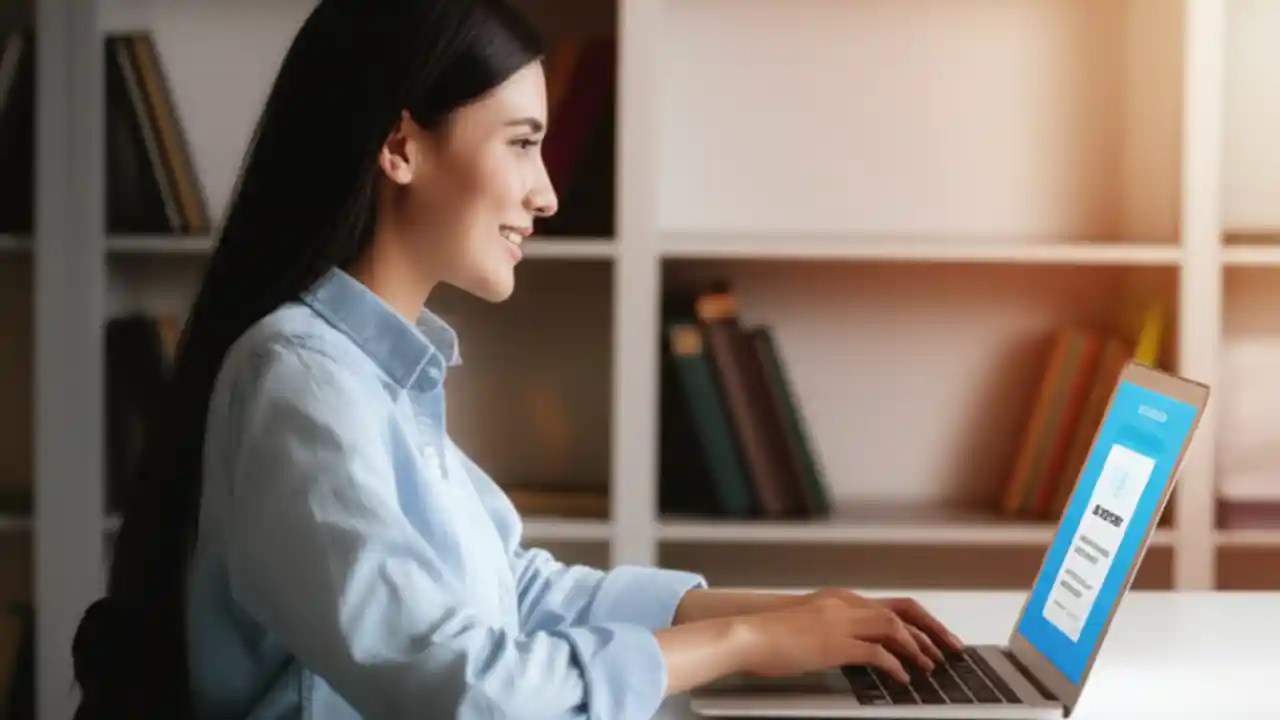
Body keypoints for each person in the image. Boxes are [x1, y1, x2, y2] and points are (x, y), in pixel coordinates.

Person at [71, 1, 965, 717]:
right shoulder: (299, 380)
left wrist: (785, 614)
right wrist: (743, 647)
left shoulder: (372, 375)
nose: (545, 194)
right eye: (523, 142)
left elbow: (516, 592)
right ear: (400, 146)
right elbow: (468, 688)